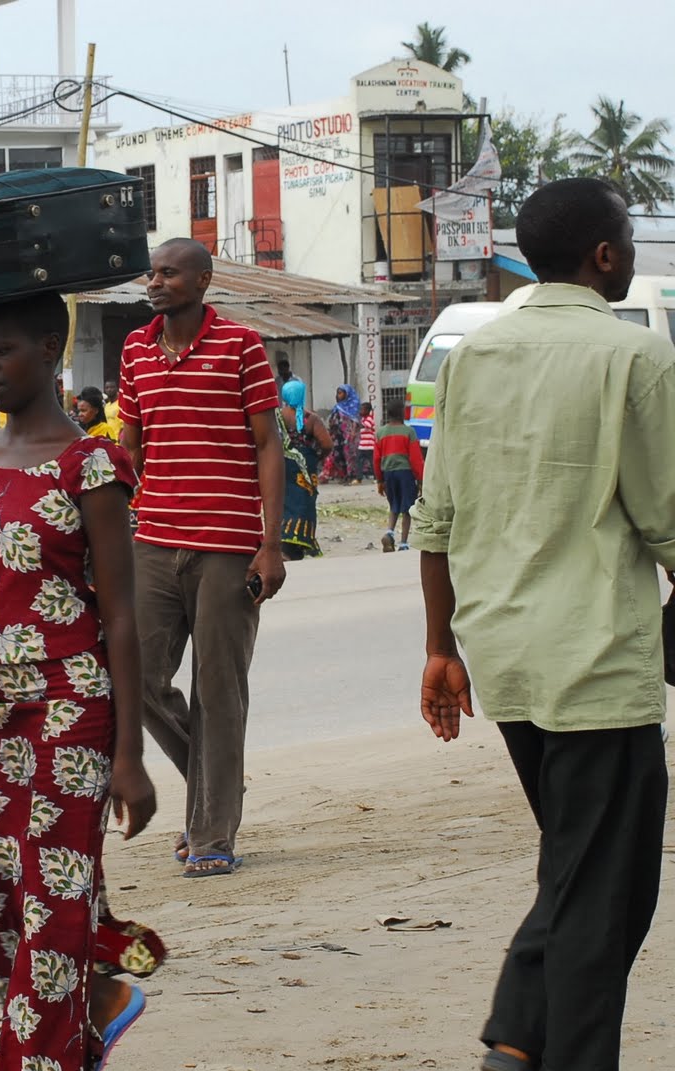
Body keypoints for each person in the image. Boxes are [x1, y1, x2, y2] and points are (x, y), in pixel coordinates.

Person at [413, 178, 675, 1071]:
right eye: (630, 243)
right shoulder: (634, 358)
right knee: (607, 894)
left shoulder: (471, 357)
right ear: (604, 257)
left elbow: (435, 521)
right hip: (598, 659)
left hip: (506, 656)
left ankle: (518, 1041)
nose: (633, 256)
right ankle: (547, 1052)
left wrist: (440, 648)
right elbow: (669, 517)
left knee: (580, 866)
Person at [0, 294, 167, 1071]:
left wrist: (129, 756)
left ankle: (48, 1048)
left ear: (50, 350)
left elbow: (122, 617)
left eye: (2, 351)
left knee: (48, 906)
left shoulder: (89, 465)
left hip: (74, 704)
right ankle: (95, 994)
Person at [116, 238, 285, 879]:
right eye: (152, 272)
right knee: (138, 680)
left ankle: (212, 835)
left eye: (169, 273)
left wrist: (271, 544)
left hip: (228, 545)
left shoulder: (241, 346)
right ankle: (216, 785)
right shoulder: (135, 348)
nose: (155, 282)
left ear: (203, 281)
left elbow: (267, 444)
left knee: (218, 691)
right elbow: (130, 441)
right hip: (153, 540)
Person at [276, 379, 332, 561]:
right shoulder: (311, 419)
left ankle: (285, 542)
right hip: (305, 466)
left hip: (283, 464)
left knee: (285, 500)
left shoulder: (277, 416)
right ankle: (302, 541)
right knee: (305, 501)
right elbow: (327, 444)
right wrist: (317, 456)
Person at [374, 400, 424, 552]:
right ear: (401, 413)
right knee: (407, 508)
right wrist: (421, 479)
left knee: (393, 506)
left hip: (388, 474)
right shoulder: (409, 432)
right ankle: (403, 543)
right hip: (406, 474)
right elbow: (416, 459)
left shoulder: (380, 433)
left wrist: (380, 480)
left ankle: (389, 533)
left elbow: (376, 459)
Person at [323, 384, 362, 483]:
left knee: (349, 455)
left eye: (340, 393)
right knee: (335, 454)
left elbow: (356, 422)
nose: (338, 396)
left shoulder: (354, 405)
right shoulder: (338, 407)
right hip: (337, 435)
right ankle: (340, 475)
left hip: (349, 436)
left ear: (347, 394)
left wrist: (353, 433)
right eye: (337, 393)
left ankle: (351, 475)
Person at [355, 401, 376, 481]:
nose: (360, 411)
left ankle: (376, 478)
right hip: (362, 445)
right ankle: (359, 478)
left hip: (370, 446)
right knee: (359, 461)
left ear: (367, 411)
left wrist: (360, 422)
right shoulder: (363, 419)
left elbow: (367, 425)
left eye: (362, 410)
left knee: (372, 462)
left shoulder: (369, 419)